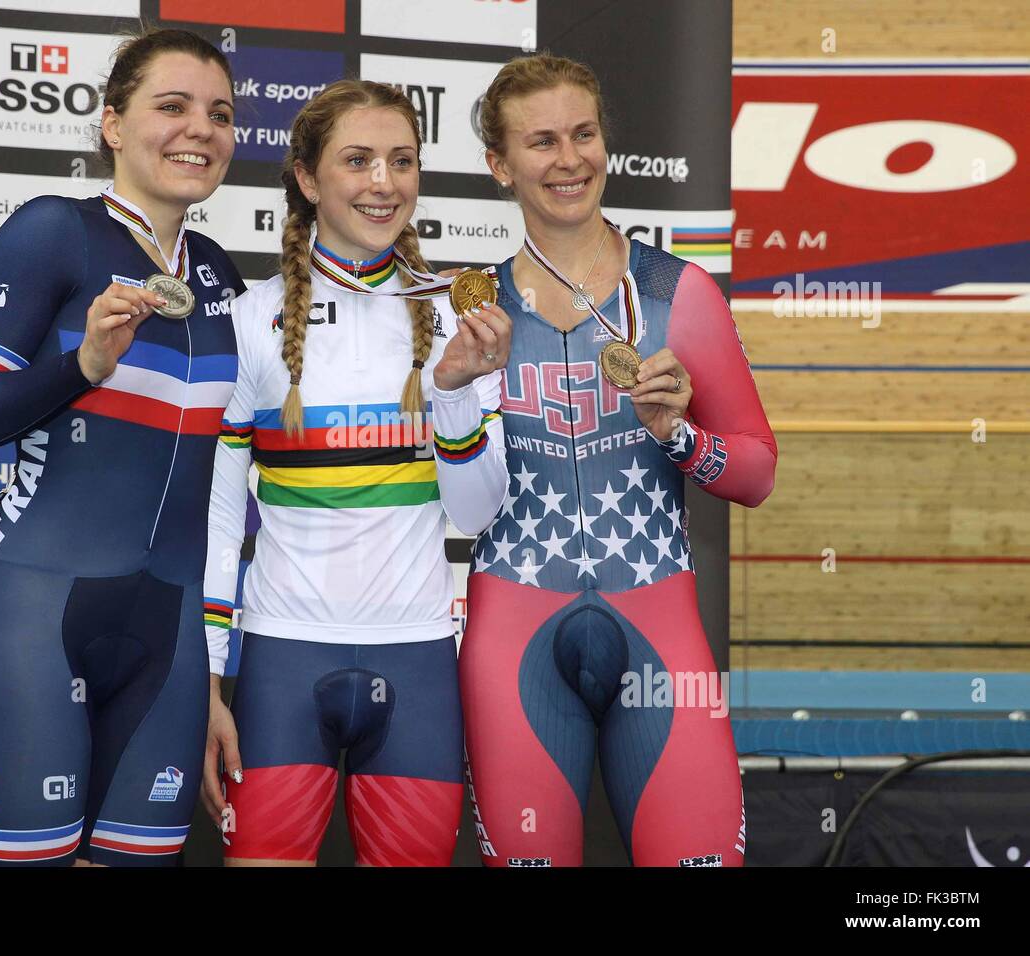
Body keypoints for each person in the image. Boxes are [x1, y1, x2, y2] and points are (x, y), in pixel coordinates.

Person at [436, 54, 776, 867]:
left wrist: (678, 435)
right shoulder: (472, 310)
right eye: (542, 141)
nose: (569, 159)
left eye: (584, 134)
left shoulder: (675, 292)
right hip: (513, 633)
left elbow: (757, 471)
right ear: (499, 165)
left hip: (657, 625)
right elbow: (459, 502)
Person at [0, 28, 243, 867]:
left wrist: (216, 671)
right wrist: (82, 366)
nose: (199, 130)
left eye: (219, 113)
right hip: (30, 612)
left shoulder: (220, 276)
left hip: (170, 639)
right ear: (112, 124)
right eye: (170, 106)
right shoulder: (54, 232)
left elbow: (234, 482)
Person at [200, 79, 510, 866]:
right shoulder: (249, 320)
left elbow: (475, 514)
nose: (384, 182)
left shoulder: (458, 318)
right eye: (359, 160)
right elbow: (218, 514)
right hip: (280, 654)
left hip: (418, 657)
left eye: (402, 161)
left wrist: (451, 394)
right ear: (307, 178)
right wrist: (206, 679)